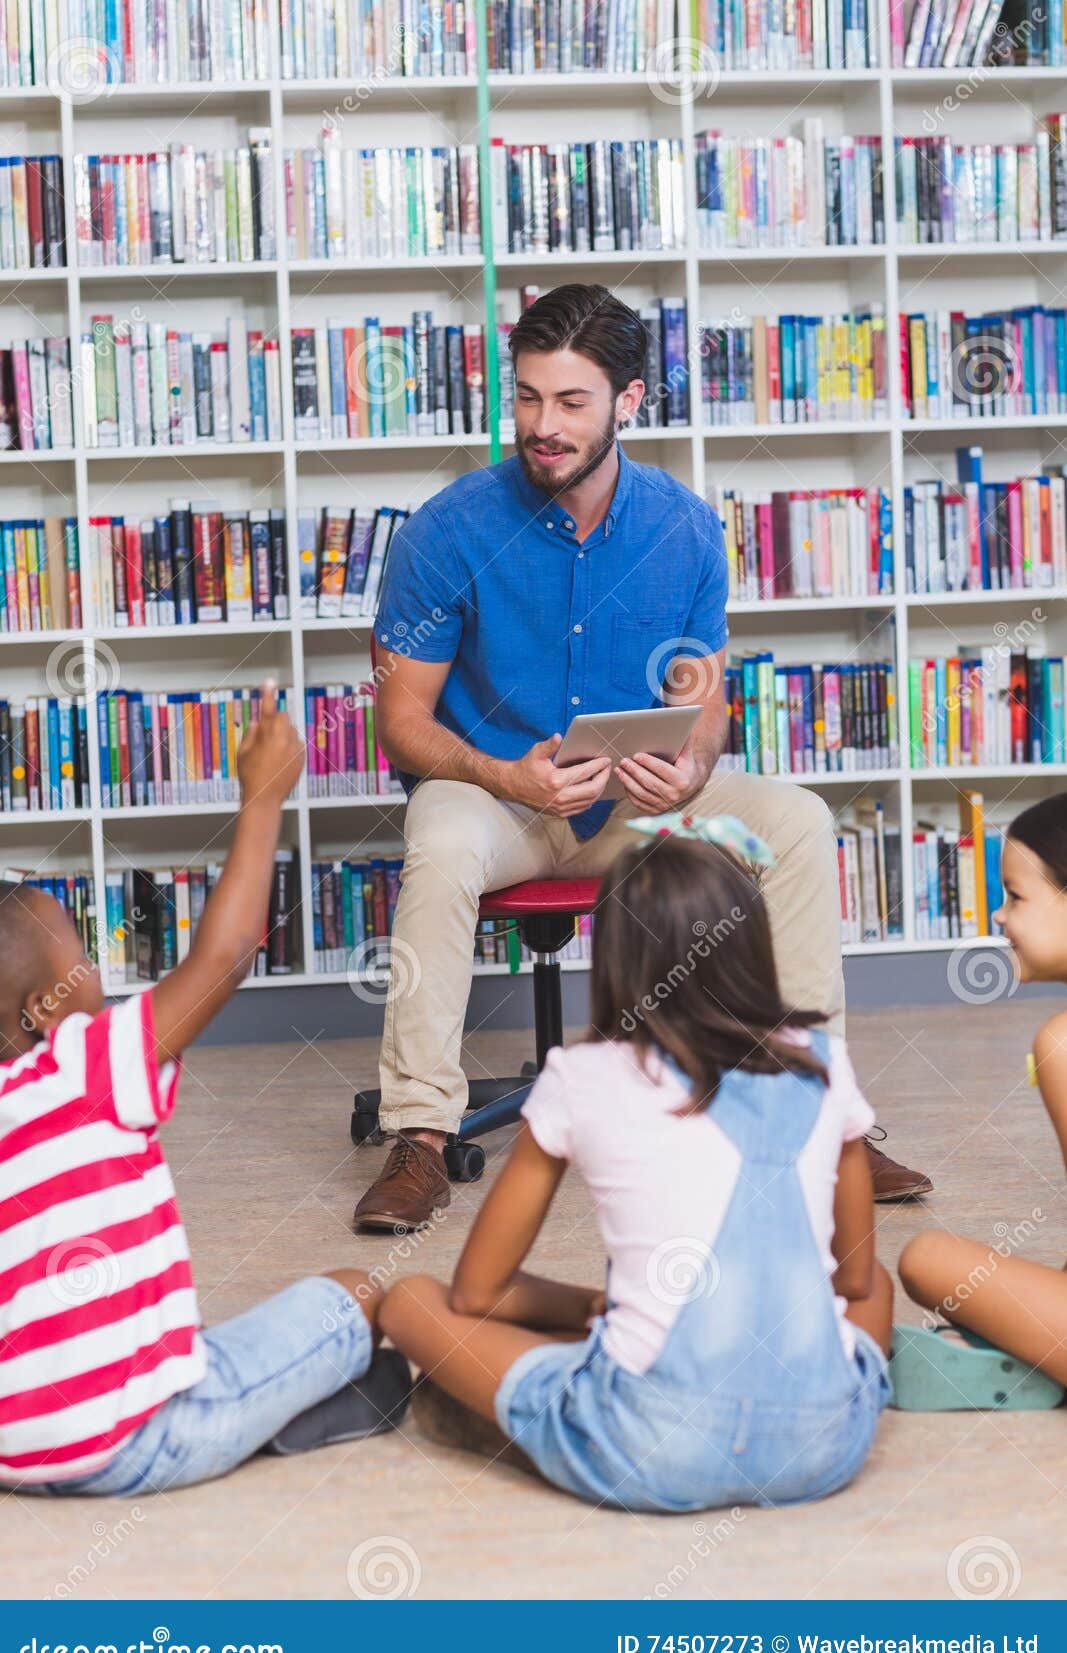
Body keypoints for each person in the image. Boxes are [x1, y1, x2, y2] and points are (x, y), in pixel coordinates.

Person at [354, 280, 930, 1230]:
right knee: (442, 843)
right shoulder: (444, 532)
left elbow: (699, 700)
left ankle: (820, 1112)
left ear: (627, 401)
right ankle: (419, 1137)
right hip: (495, 801)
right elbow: (402, 723)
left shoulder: (683, 526)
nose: (543, 424)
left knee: (796, 819)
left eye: (571, 402)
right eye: (529, 396)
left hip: (632, 806)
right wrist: (505, 775)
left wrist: (694, 766)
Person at [377, 814, 893, 1512]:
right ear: (750, 942)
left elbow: (475, 1294)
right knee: (880, 1286)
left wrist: (586, 1304)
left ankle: (566, 1384)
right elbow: (855, 1278)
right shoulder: (822, 1063)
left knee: (410, 1300)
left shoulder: (580, 1075)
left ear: (616, 954)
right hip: (821, 1451)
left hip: (650, 1450)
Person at [0, 681, 410, 1496]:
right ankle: (256, 1421)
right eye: (79, 955)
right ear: (42, 1012)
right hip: (134, 1440)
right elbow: (220, 962)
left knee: (185, 1333)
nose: (95, 969)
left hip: (14, 1452)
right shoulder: (81, 1063)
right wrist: (261, 799)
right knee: (357, 1295)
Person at [898, 793, 1067, 1397]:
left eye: (1016, 897)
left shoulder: (1063, 1043)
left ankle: (1028, 1356)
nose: (999, 916)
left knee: (927, 1259)